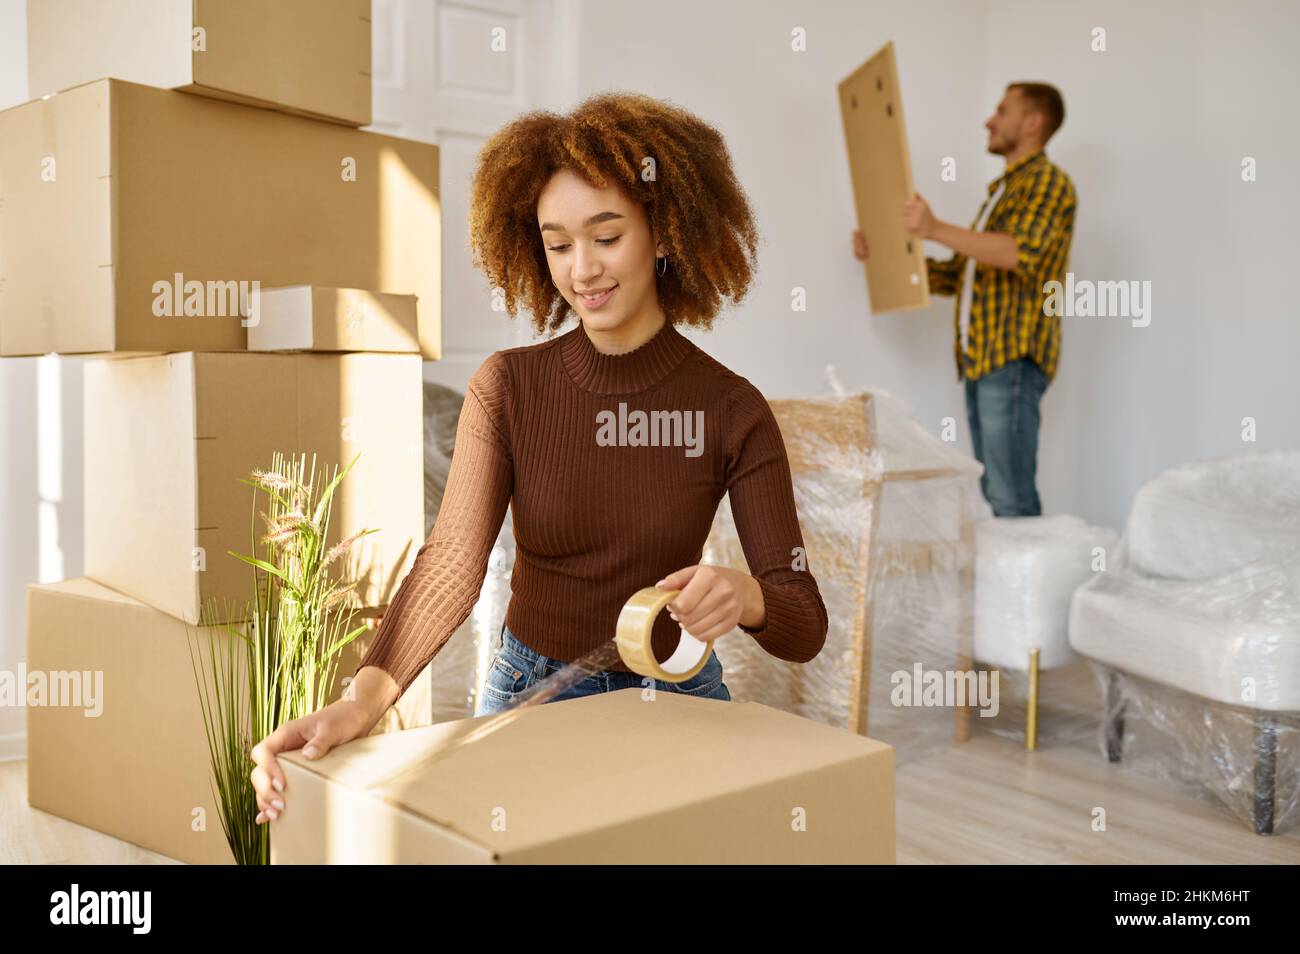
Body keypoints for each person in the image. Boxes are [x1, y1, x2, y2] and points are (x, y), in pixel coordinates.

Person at [250, 92, 830, 824]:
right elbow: (453, 561)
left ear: (663, 231)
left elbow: (803, 622)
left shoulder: (732, 409)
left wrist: (745, 596)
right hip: (532, 693)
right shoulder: (509, 387)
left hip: (673, 693)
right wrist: (361, 701)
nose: (582, 268)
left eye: (606, 236)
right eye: (558, 244)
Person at [853, 82, 1076, 516]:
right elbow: (961, 274)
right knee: (997, 491)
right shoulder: (1003, 193)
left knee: (1010, 494)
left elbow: (1018, 253)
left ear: (1033, 122)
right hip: (983, 358)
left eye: (1002, 110)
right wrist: (880, 258)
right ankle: (1015, 581)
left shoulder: (1048, 183)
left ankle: (1032, 583)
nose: (988, 121)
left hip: (1012, 357)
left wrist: (934, 228)